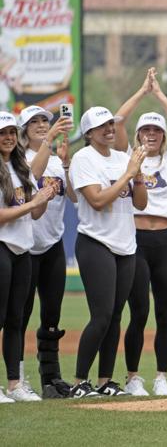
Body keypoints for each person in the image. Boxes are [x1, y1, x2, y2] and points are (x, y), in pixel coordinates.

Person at [112, 68, 167, 397]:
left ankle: (161, 376)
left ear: (163, 135)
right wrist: (142, 92)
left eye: (157, 129)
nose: (152, 134)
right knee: (139, 311)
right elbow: (116, 122)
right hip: (137, 240)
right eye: (146, 129)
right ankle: (133, 377)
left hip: (165, 241)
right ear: (139, 134)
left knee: (165, 312)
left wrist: (159, 94)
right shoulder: (130, 157)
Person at [69, 107, 148, 398]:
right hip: (95, 242)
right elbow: (97, 200)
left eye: (111, 124)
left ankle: (104, 381)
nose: (109, 129)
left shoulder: (123, 158)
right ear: (89, 133)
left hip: (125, 245)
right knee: (100, 315)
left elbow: (140, 203)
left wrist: (136, 175)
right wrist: (129, 172)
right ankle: (79, 383)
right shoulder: (83, 158)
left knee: (115, 316)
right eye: (101, 126)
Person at [17, 105, 75, 399]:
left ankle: (51, 378)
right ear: (24, 130)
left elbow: (74, 196)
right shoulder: (18, 158)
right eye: (34, 122)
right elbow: (28, 179)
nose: (41, 125)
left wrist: (65, 166)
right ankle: (18, 380)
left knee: (52, 314)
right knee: (20, 316)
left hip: (53, 245)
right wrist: (50, 138)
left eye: (45, 120)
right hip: (25, 247)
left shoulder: (56, 160)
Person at [0, 111, 53, 403]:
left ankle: (14, 384)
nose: (8, 137)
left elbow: (34, 213)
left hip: (22, 248)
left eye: (10, 132)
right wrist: (33, 202)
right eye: (2, 133)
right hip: (2, 245)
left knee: (16, 320)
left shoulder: (22, 168)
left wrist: (43, 198)